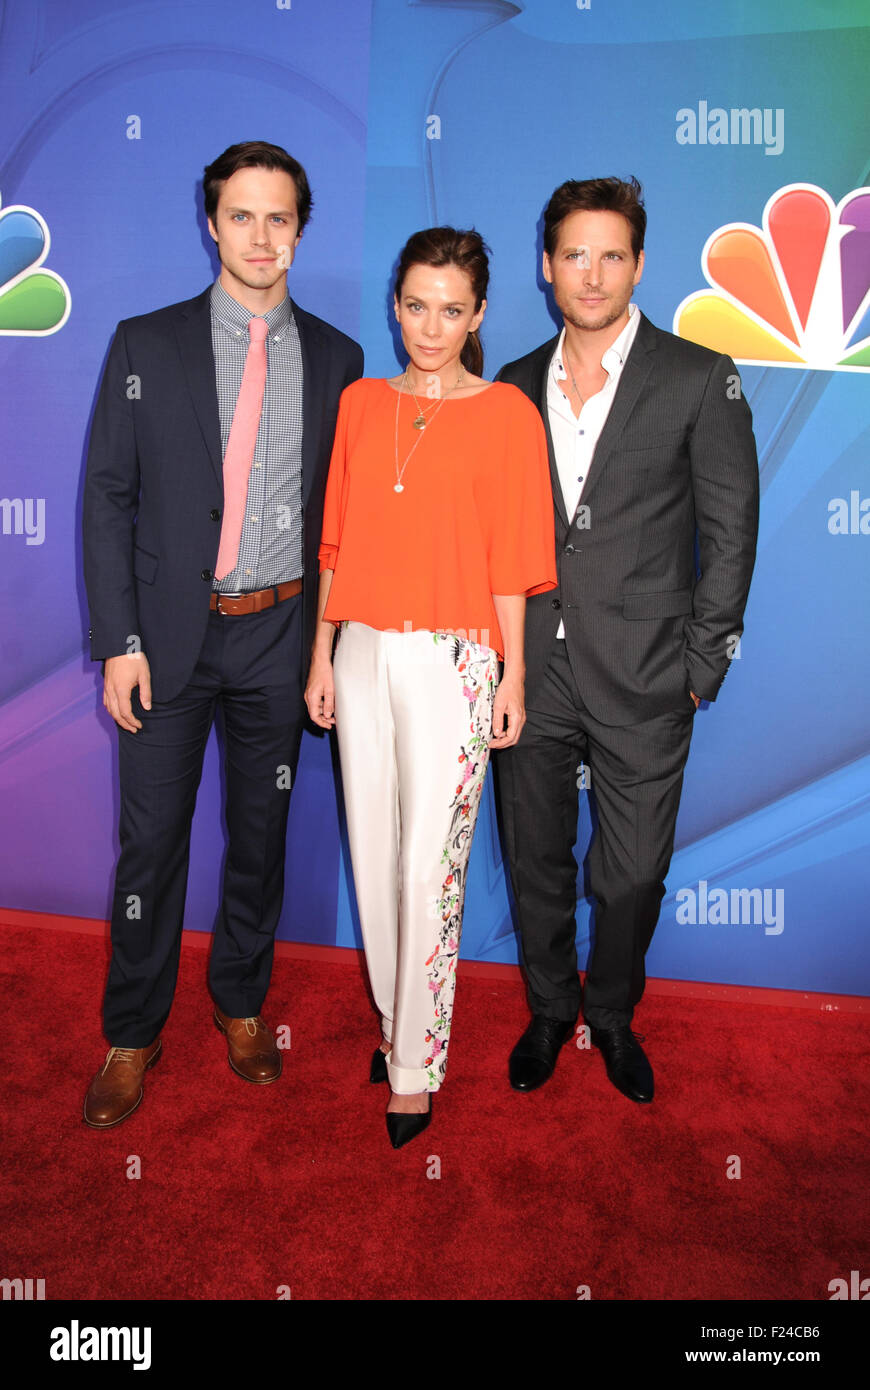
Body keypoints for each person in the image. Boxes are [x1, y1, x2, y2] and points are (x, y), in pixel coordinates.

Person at [81, 141, 363, 1128]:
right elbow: (106, 500)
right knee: (149, 844)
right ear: (211, 223)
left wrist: (329, 647)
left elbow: (343, 520)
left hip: (278, 638)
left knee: (261, 836)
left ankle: (242, 1004)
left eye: (278, 217)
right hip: (163, 642)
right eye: (241, 215)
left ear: (300, 229)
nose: (259, 235)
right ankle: (132, 1029)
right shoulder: (142, 346)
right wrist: (119, 638)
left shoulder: (339, 360)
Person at [495, 177, 759, 1103]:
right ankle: (548, 1010)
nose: (593, 273)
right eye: (575, 253)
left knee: (633, 871)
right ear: (547, 265)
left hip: (650, 672)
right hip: (528, 668)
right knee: (532, 855)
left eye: (612, 254)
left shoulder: (697, 375)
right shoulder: (514, 383)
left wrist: (701, 665)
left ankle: (610, 1014)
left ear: (640, 264)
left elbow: (730, 530)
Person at [305, 227, 557, 1148]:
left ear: (479, 313)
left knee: (428, 867)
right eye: (417, 306)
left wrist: (514, 674)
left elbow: (511, 564)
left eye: (452, 310)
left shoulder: (507, 416)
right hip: (363, 648)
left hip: (458, 658)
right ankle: (392, 1017)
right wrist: (322, 653)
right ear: (396, 305)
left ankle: (416, 1062)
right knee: (374, 856)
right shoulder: (363, 405)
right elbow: (335, 543)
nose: (432, 326)